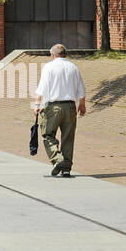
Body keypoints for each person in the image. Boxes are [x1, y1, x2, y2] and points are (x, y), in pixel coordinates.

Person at [34, 43, 86, 176]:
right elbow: (81, 88)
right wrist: (82, 104)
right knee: (68, 136)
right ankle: (66, 168)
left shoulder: (49, 67)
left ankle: (58, 160)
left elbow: (42, 87)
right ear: (65, 54)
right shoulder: (73, 67)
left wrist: (37, 104)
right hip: (70, 106)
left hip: (54, 107)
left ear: (52, 55)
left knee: (48, 134)